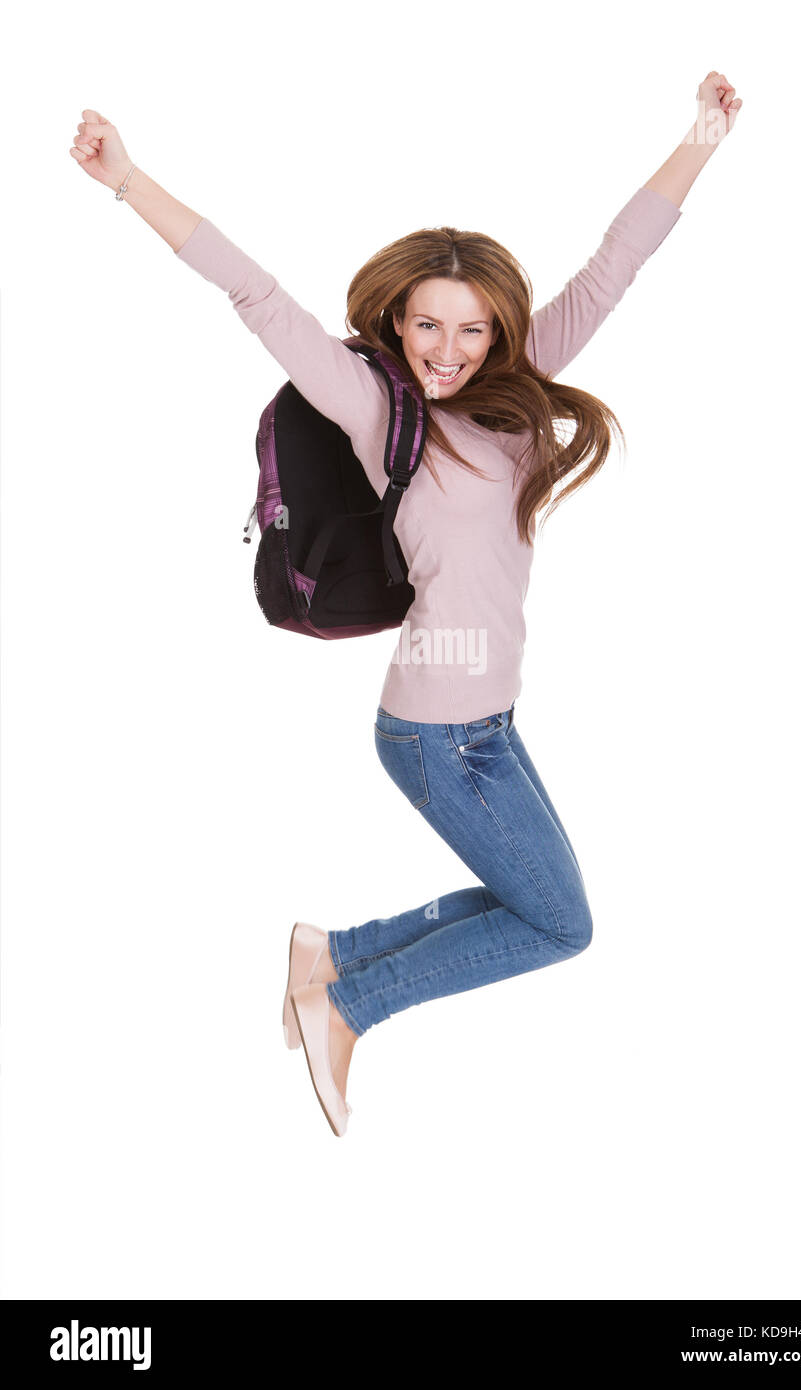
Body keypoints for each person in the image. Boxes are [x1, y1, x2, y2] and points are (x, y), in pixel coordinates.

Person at [69, 73, 742, 1137]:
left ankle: (329, 956)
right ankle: (349, 1000)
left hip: (489, 723)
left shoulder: (518, 391)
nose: (446, 350)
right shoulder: (376, 408)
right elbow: (257, 295)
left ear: (497, 333)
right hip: (432, 732)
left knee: (545, 910)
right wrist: (127, 181)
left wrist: (697, 140)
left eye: (470, 331)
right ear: (395, 319)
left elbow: (613, 267)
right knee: (560, 924)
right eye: (427, 326)